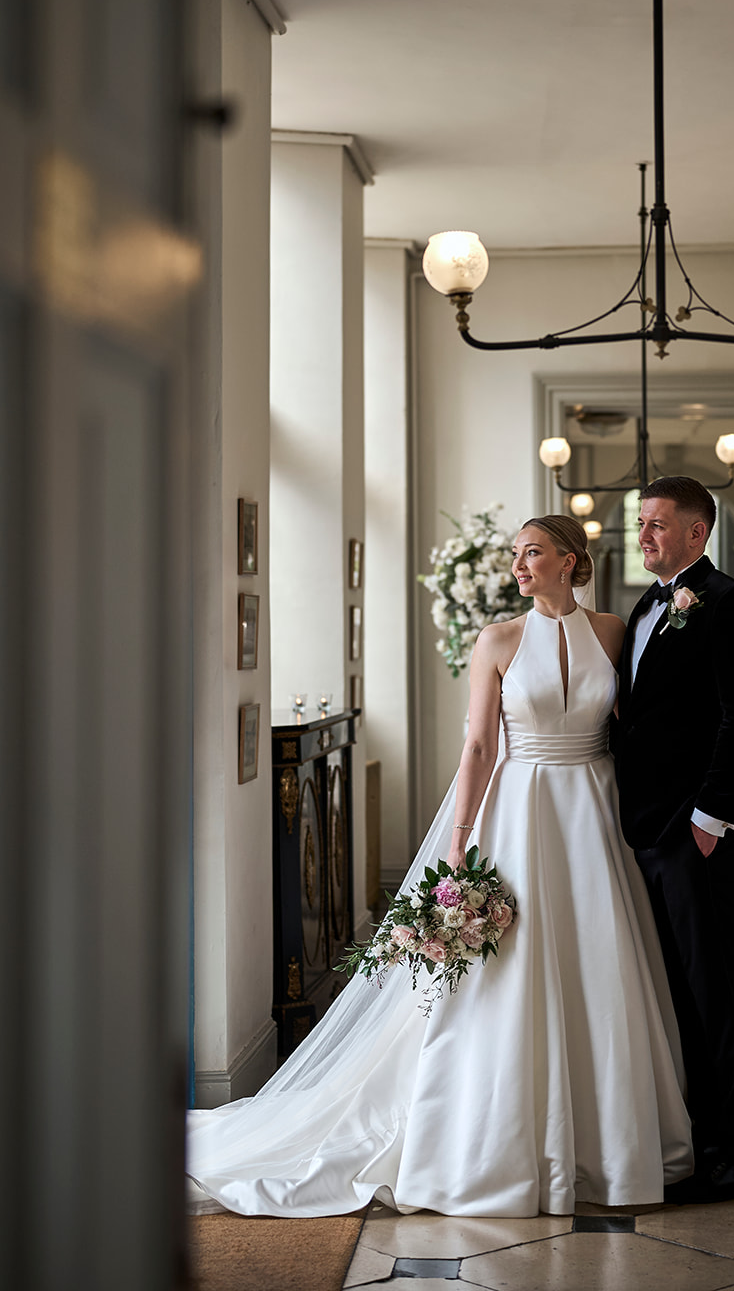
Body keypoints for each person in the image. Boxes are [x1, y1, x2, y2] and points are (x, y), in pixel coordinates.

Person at [187, 514, 692, 1217]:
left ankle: (604, 1146)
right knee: (508, 973)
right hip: (517, 813)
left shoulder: (613, 631)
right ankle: (494, 1149)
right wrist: (458, 844)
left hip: (595, 813)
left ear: (571, 561)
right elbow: (479, 747)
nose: (518, 566)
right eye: (514, 554)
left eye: (532, 553)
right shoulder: (499, 640)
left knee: (599, 964)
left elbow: (640, 726)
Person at [612, 476, 734, 1204]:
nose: (642, 535)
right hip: (644, 831)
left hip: (696, 833)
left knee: (715, 992)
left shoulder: (731, 603)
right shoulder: (642, 607)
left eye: (655, 524)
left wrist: (708, 823)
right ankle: (699, 1140)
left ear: (696, 534)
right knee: (674, 993)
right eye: (640, 523)